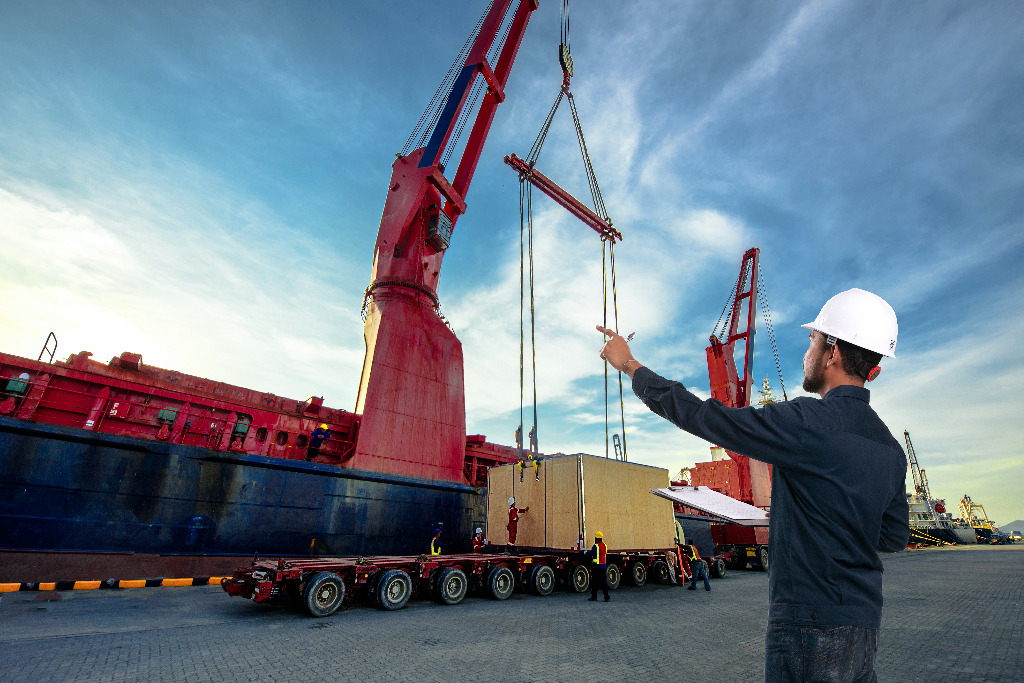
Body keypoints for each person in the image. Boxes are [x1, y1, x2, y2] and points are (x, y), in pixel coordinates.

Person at [597, 288, 909, 683]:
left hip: (807, 626)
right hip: (863, 627)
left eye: (813, 339)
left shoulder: (807, 422)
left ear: (833, 353)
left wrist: (630, 366)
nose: (806, 352)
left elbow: (705, 417)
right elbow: (893, 536)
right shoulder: (890, 448)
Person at [584, 531, 610, 602]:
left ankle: (594, 597)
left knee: (595, 582)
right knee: (604, 582)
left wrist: (585, 553)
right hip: (603, 566)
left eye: (595, 538)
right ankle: (607, 597)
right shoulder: (605, 545)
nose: (595, 539)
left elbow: (591, 553)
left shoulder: (596, 546)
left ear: (597, 539)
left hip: (596, 567)